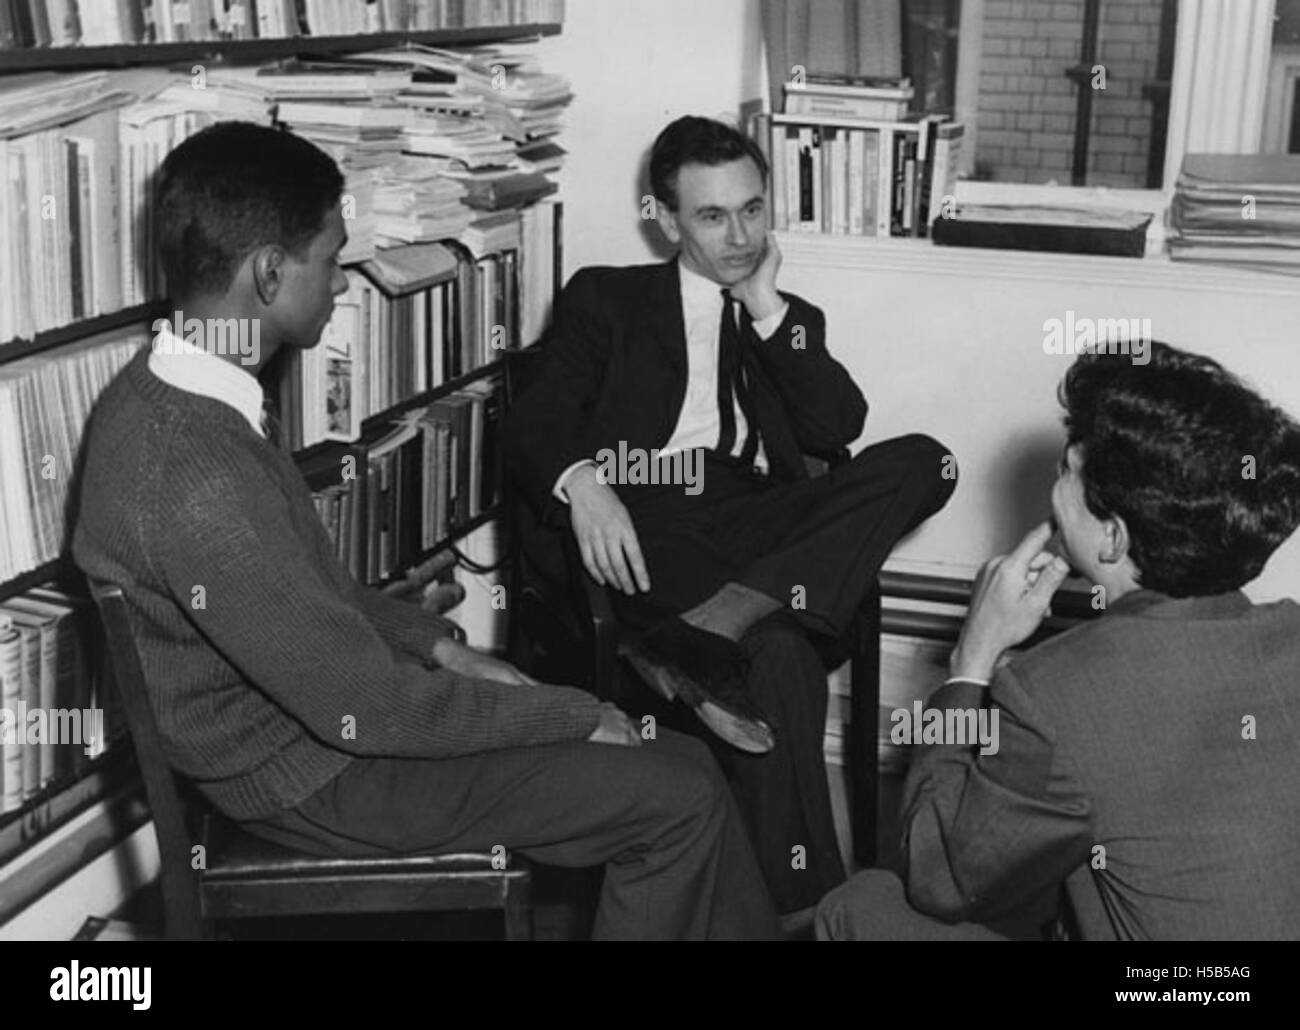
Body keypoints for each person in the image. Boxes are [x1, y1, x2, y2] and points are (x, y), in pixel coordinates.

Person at [72, 121, 779, 941]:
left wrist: (442, 646)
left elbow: (317, 593)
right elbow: (365, 710)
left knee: (682, 761)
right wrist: (570, 712)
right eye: (331, 259)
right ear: (269, 273)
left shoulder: (183, 388)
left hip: (321, 739)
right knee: (677, 797)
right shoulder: (194, 474)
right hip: (317, 778)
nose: (340, 284)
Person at [503, 115, 955, 917]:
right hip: (647, 517)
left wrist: (766, 307)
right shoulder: (607, 299)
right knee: (777, 657)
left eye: (752, 209)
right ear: (667, 220)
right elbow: (536, 416)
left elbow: (836, 427)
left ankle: (703, 633)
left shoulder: (785, 314)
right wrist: (584, 482)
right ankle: (812, 912)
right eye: (713, 216)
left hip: (758, 520)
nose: (739, 234)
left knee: (924, 458)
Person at [816, 341, 1300, 941]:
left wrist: (971, 662)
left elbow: (938, 877)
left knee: (862, 904)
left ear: (1113, 538)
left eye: (1066, 470)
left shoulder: (1053, 691)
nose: (1054, 484)